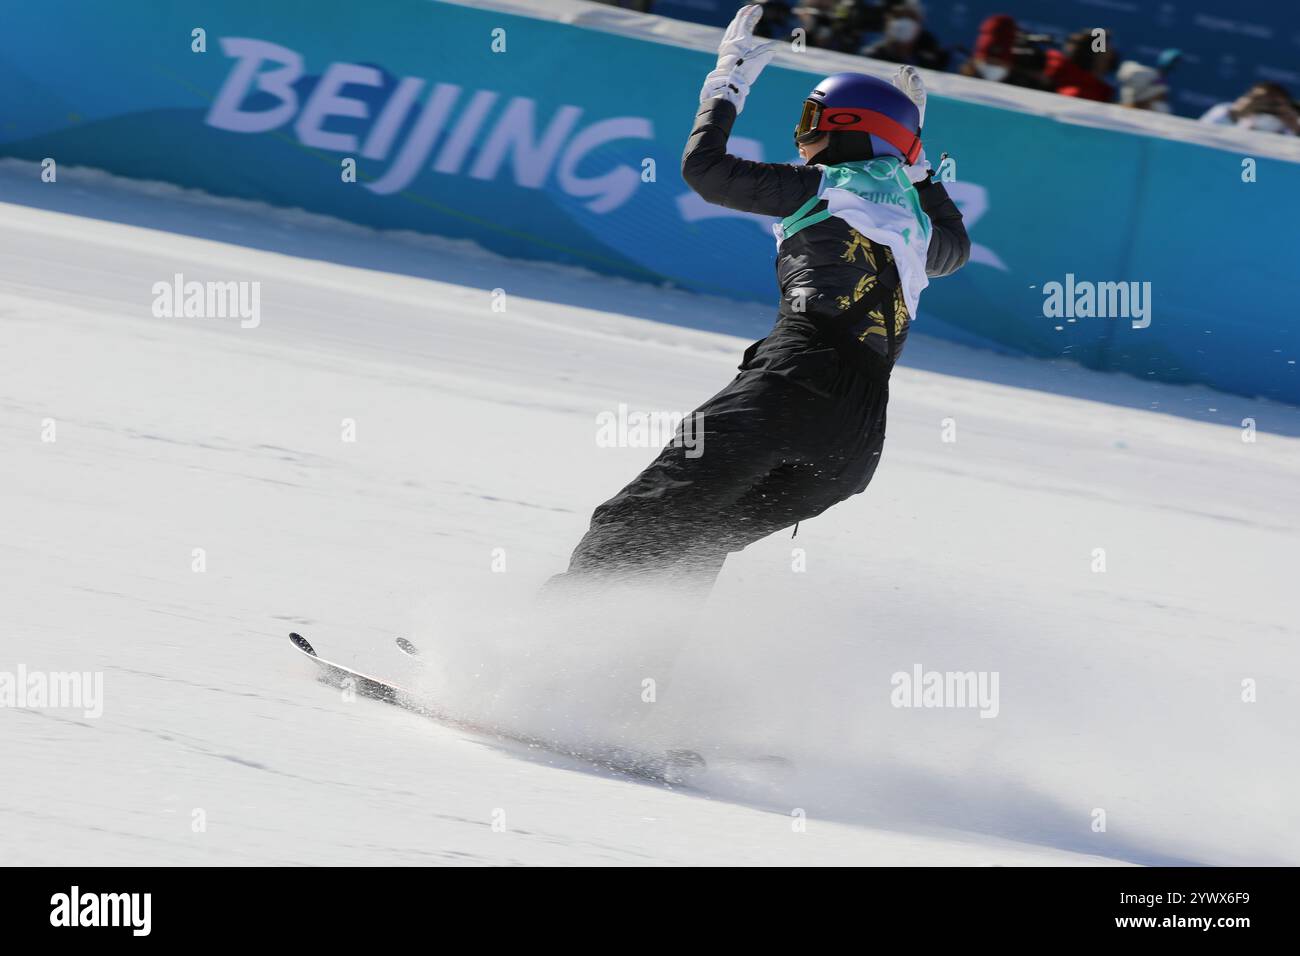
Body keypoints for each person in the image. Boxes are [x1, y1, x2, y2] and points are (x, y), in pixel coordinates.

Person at [547, 5, 969, 596]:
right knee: (692, 547)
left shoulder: (827, 185)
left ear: (852, 129)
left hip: (791, 386)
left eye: (814, 120)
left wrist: (727, 84)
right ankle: (632, 681)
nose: (803, 136)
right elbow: (960, 246)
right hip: (855, 441)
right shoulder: (919, 228)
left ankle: (524, 659)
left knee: (639, 523)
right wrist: (917, 164)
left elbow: (707, 171)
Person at [860, 0, 951, 72]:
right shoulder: (870, 58)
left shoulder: (930, 64)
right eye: (898, 16)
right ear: (887, 21)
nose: (904, 22)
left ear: (919, 25)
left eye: (910, 17)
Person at [1042, 28, 1117, 102]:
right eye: (1105, 56)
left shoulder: (1099, 91)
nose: (1111, 60)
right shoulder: (1077, 94)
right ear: (1089, 58)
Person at [1199, 82, 1300, 136]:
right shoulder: (1226, 111)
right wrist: (1235, 114)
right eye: (1259, 100)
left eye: (1274, 104)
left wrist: (1296, 129)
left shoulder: (1293, 124)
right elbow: (1201, 135)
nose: (1267, 107)